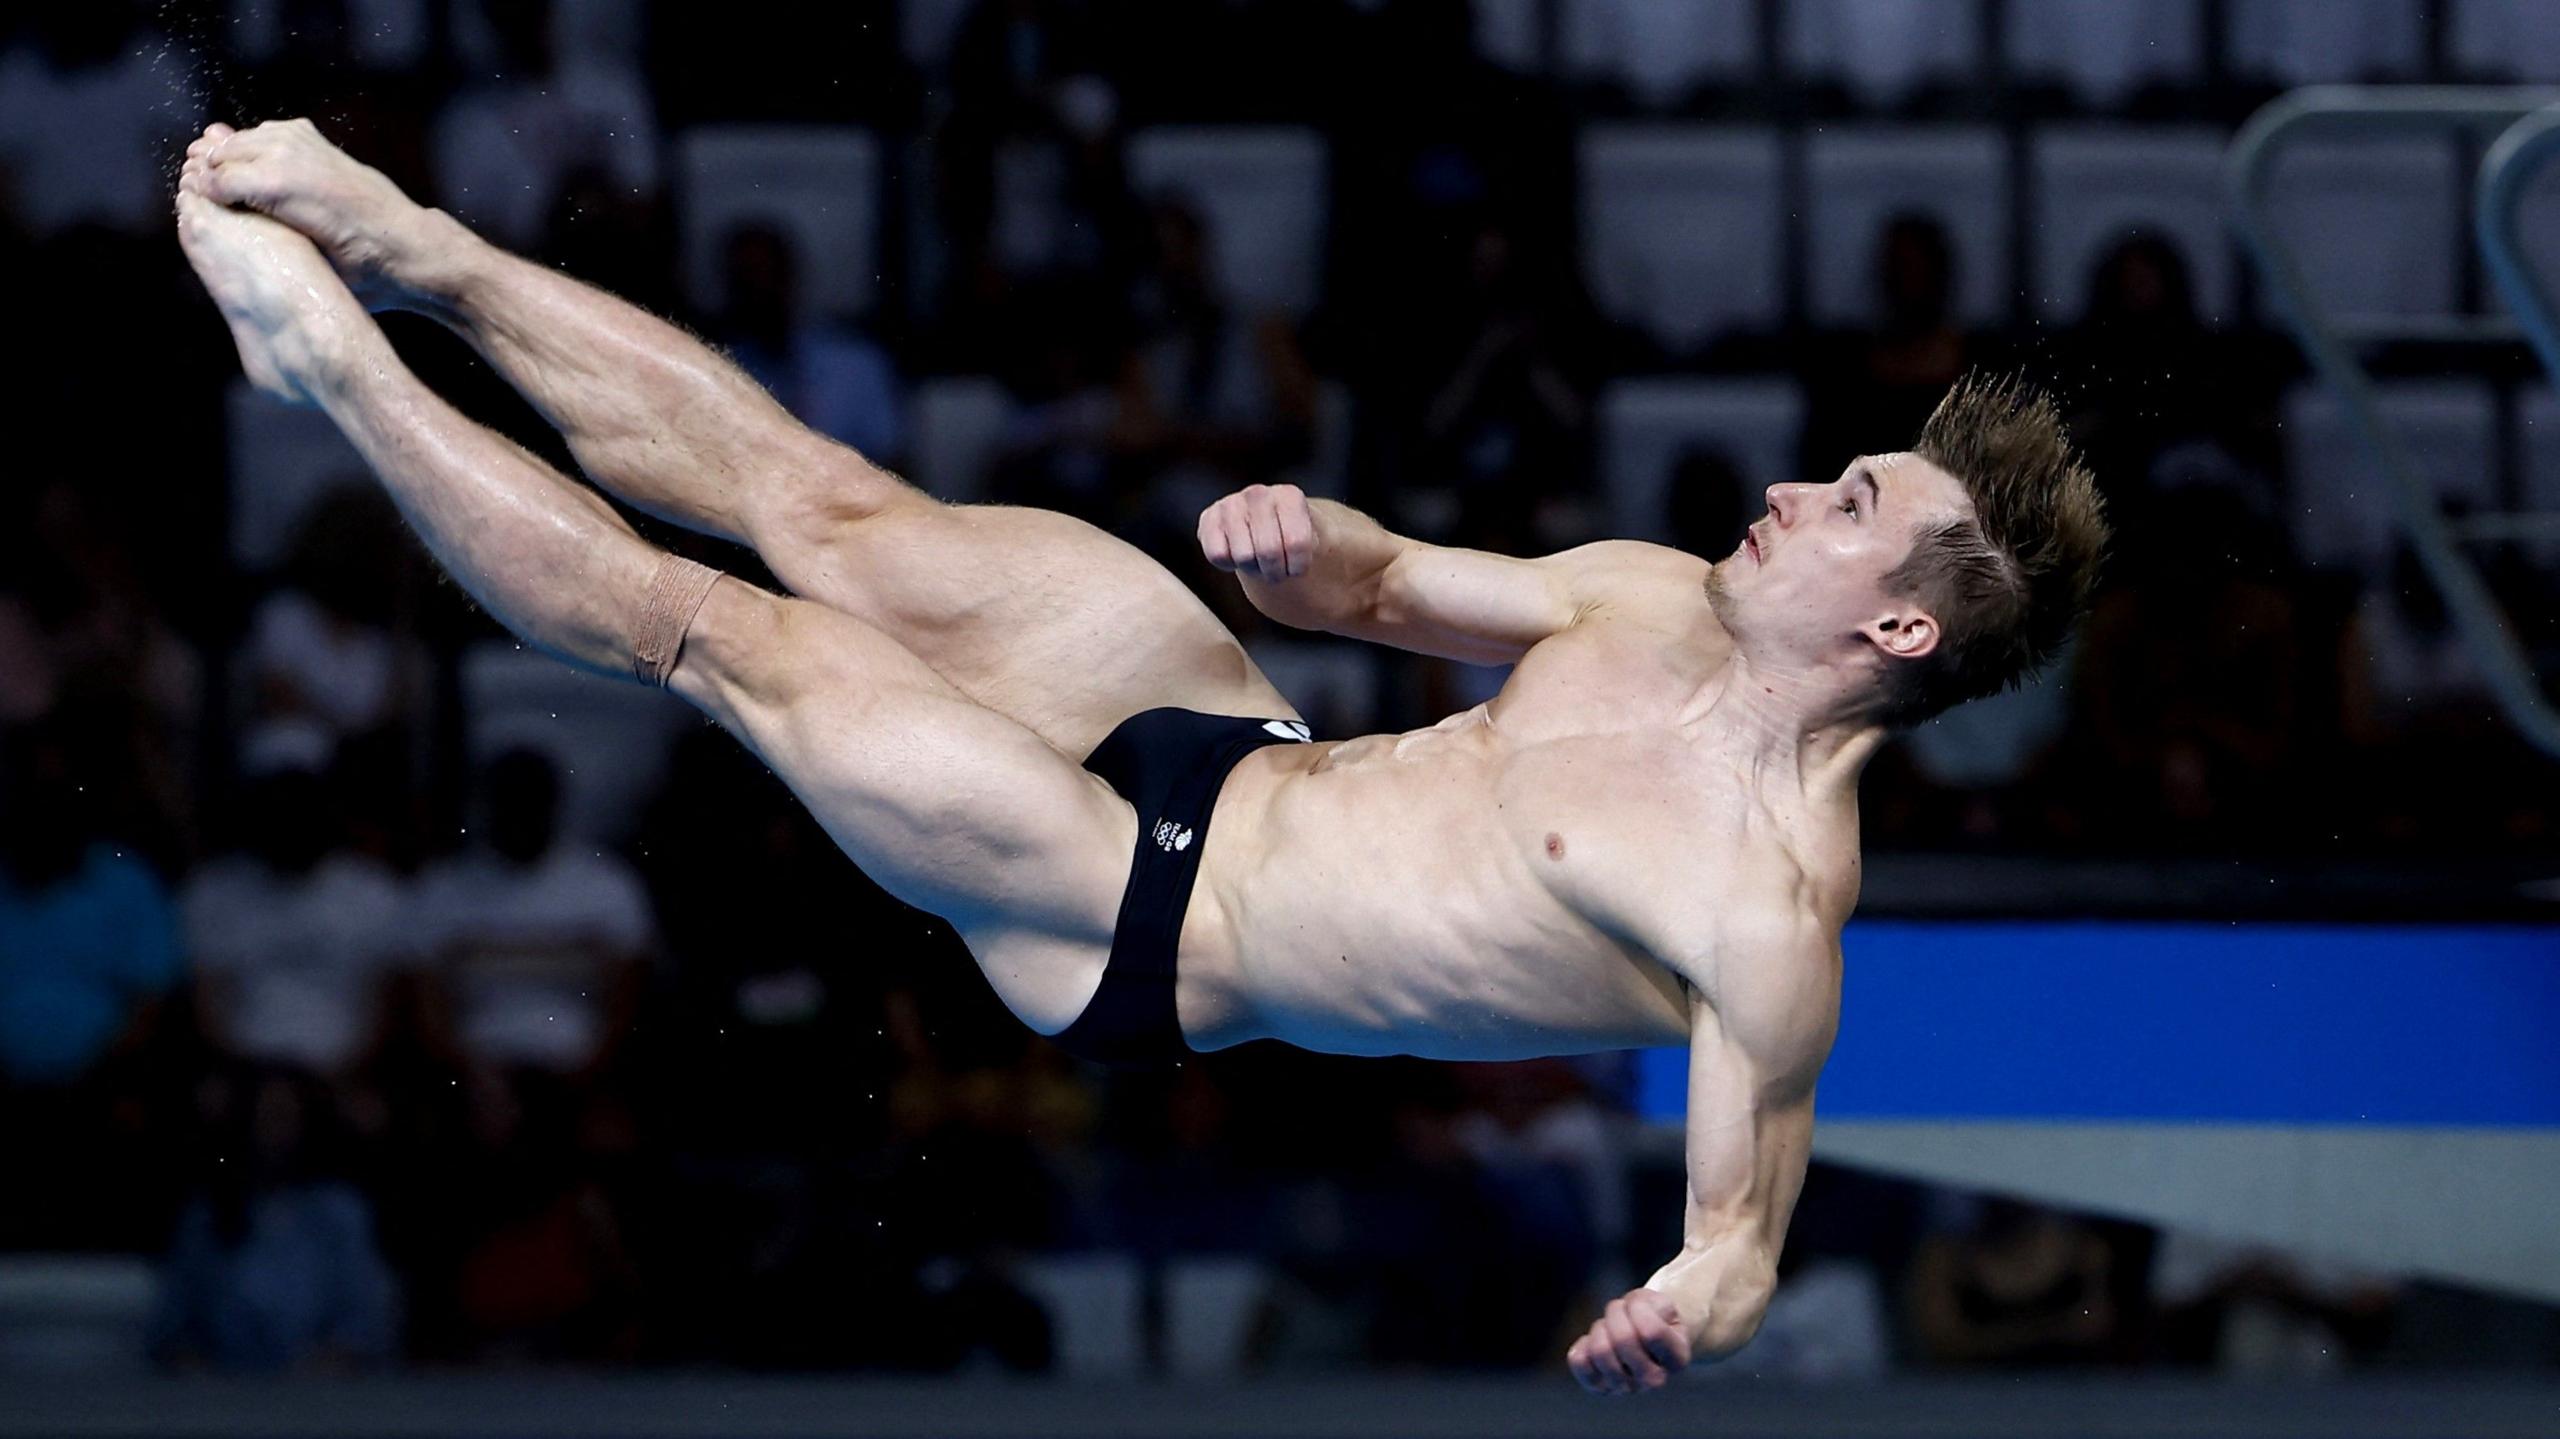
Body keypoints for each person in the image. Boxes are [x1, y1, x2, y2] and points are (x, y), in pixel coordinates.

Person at [176, 118, 2110, 1394]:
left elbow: (1741, 1241)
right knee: (832, 510)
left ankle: (335, 364)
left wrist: (1682, 1310)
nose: (1792, 488)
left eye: (1851, 500)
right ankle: (417, 244)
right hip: (1218, 732)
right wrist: (1309, 540)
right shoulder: (1648, 589)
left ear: (1902, 629)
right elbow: (1387, 590)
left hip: (1132, 920)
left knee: (725, 634)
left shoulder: (1756, 902)